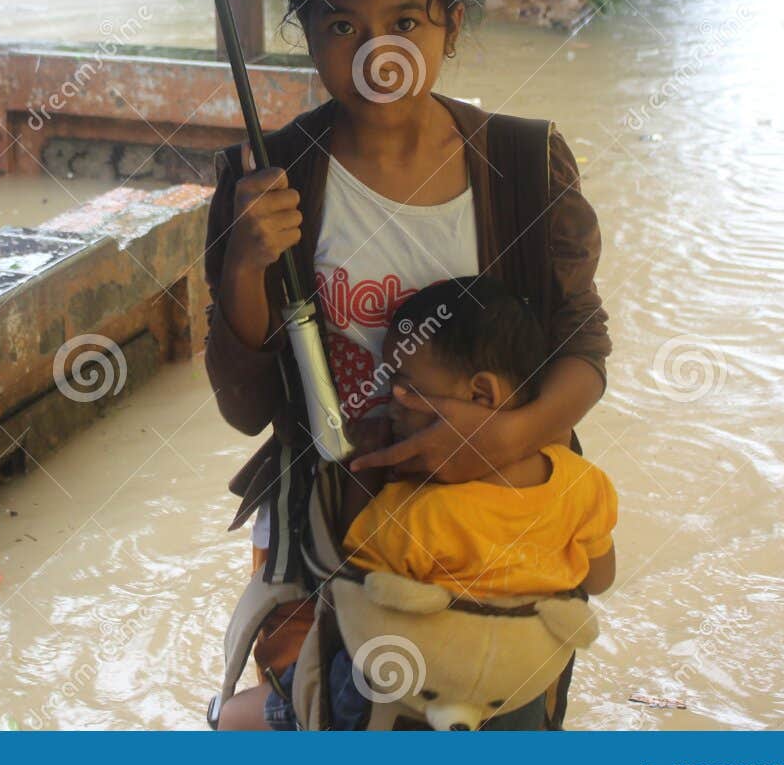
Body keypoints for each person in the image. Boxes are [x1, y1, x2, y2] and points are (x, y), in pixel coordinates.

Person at [203, 0, 611, 729]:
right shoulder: (271, 180)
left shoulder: (524, 164)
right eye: (341, 26)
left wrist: (498, 437)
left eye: (406, 24)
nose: (373, 54)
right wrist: (245, 267)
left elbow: (583, 353)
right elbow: (247, 409)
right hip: (341, 541)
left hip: (501, 543)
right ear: (306, 35)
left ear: (452, 27)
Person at [219, 276, 618, 730]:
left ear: (481, 394)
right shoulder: (583, 484)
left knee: (244, 718)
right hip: (516, 691)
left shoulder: (418, 512)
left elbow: (348, 573)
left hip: (397, 697)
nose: (390, 404)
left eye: (405, 387)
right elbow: (600, 577)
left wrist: (364, 469)